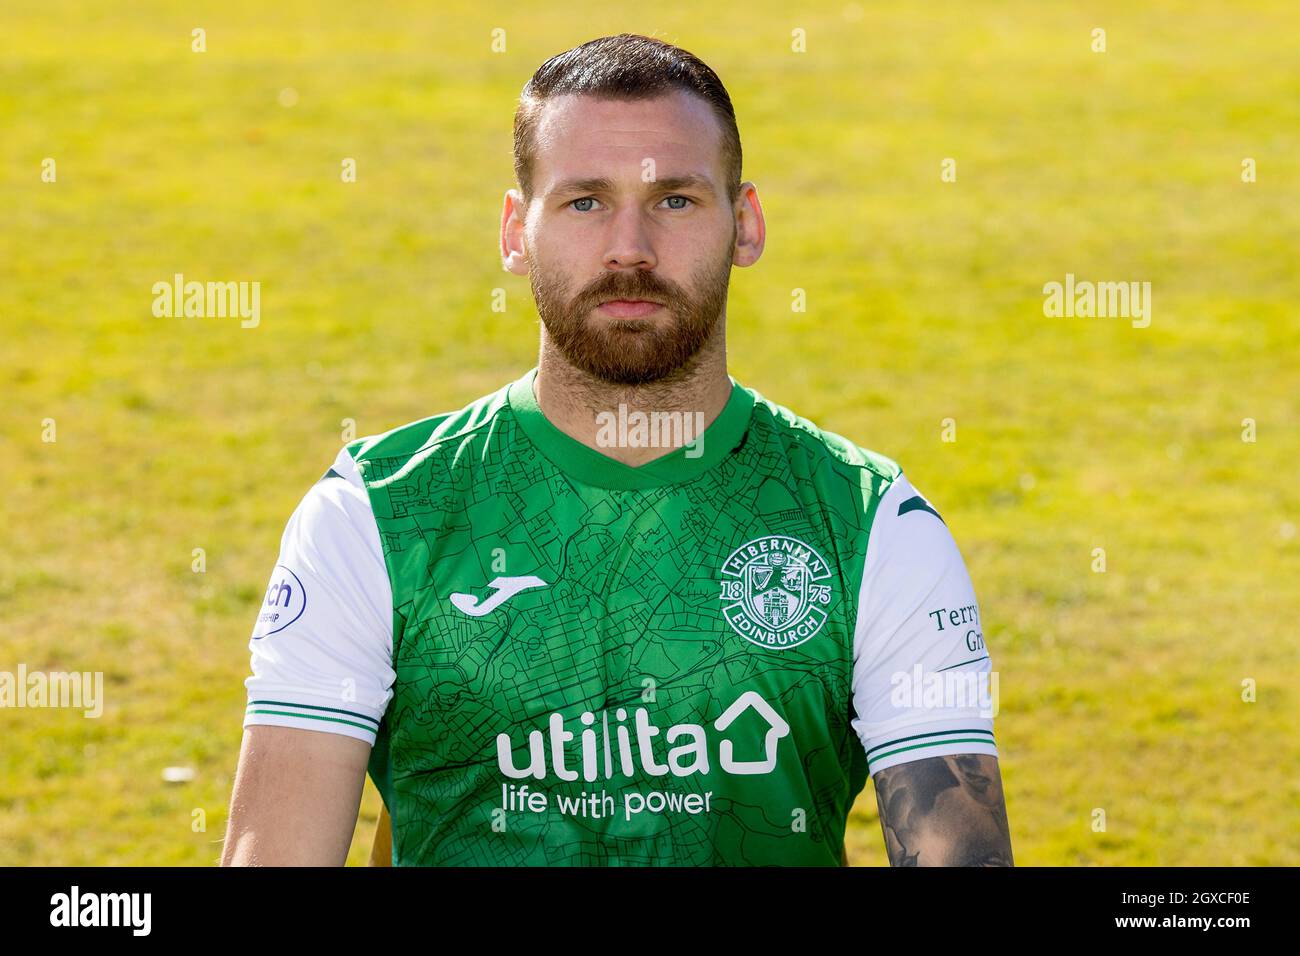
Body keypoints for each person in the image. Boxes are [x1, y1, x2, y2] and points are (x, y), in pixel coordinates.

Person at [221, 33, 1012, 867]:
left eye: (675, 200)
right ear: (515, 232)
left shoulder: (871, 524)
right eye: (585, 202)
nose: (629, 247)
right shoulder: (376, 515)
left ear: (745, 225)